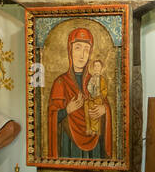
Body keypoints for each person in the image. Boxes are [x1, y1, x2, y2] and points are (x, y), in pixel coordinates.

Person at [46, 28, 112, 159]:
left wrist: (104, 109)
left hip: (95, 139)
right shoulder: (61, 82)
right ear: (70, 50)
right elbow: (51, 116)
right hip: (69, 142)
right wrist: (67, 110)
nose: (82, 55)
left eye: (86, 50)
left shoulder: (96, 81)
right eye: (77, 48)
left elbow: (106, 104)